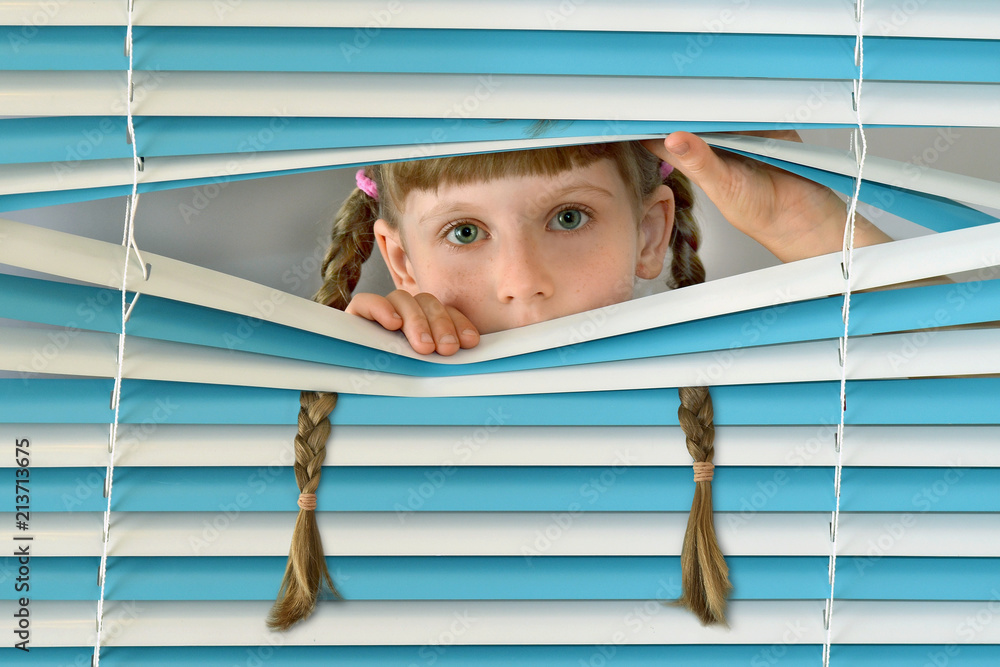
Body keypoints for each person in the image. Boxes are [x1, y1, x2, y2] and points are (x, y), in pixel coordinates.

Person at [268, 131, 892, 632]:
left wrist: (805, 228)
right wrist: (358, 376)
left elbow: (968, 399)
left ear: (650, 233)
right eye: (465, 232)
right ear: (400, 260)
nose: (521, 279)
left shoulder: (741, 400)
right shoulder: (338, 427)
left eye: (568, 217)